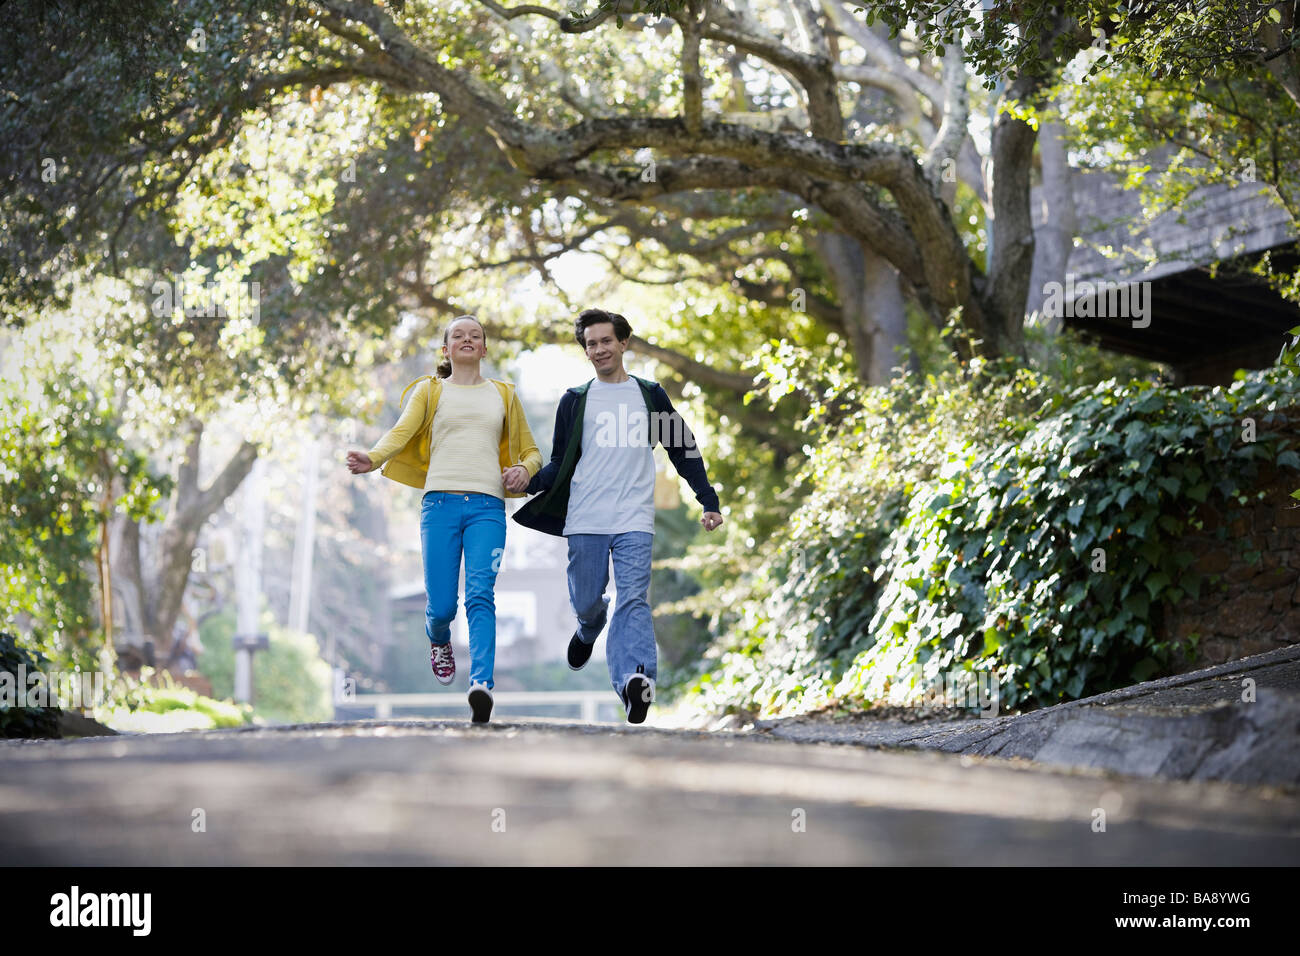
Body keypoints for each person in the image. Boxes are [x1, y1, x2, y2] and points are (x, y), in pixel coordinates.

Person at [513, 308, 724, 724]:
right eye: (591, 344)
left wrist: (708, 499)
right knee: (589, 598)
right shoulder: (575, 400)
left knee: (633, 599)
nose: (599, 349)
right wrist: (529, 480)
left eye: (606, 341)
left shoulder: (649, 395)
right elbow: (559, 463)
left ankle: (635, 679)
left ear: (623, 343)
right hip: (585, 518)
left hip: (634, 518)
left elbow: (682, 447)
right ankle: (589, 627)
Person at [346, 315, 542, 724]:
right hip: (439, 507)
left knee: (480, 596)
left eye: (475, 336)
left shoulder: (503, 395)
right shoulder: (429, 391)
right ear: (446, 349)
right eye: (458, 335)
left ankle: (482, 684)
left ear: (485, 349)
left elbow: (532, 452)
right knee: (440, 608)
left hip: (488, 508)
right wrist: (373, 458)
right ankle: (439, 640)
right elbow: (401, 432)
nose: (467, 340)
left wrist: (524, 470)